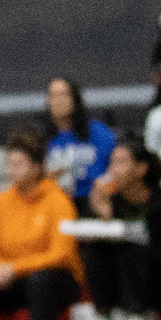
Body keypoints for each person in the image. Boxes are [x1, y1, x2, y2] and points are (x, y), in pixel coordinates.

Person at [0, 134, 82, 320]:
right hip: (12, 281)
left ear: (37, 168)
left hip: (55, 281)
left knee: (40, 281)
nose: (12, 170)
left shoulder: (58, 201)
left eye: (19, 164)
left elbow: (61, 254)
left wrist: (14, 268)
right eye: (9, 164)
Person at [81, 136, 161, 320]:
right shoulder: (109, 200)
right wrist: (103, 213)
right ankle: (103, 318)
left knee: (131, 249)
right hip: (119, 274)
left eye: (122, 162)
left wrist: (119, 225)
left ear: (141, 168)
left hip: (158, 273)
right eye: (112, 162)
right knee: (95, 251)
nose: (114, 169)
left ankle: (139, 318)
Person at [41, 79, 115, 218]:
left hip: (95, 199)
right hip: (54, 203)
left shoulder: (98, 132)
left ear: (75, 99)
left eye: (64, 95)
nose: (58, 101)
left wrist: (105, 184)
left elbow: (116, 167)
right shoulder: (38, 137)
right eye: (53, 96)